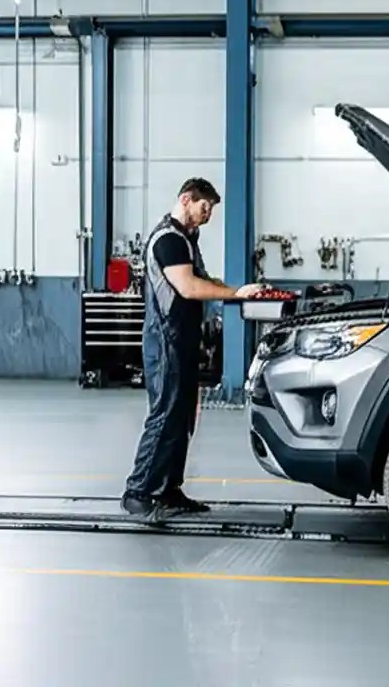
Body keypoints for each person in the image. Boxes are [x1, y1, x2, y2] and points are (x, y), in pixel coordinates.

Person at [121, 177, 264, 522]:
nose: (208, 213)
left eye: (211, 208)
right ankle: (138, 493)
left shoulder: (187, 239)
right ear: (186, 199)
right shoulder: (169, 240)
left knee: (183, 418)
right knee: (165, 414)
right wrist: (234, 295)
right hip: (166, 341)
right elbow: (187, 287)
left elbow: (203, 279)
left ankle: (168, 490)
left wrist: (241, 291)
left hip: (183, 340)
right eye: (205, 206)